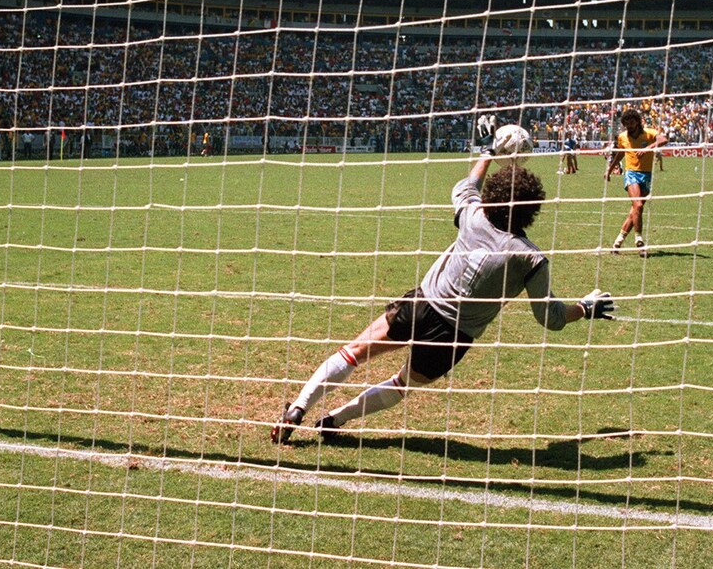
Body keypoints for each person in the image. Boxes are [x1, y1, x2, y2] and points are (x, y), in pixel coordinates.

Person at [270, 148, 617, 444]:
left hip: (421, 306)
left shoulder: (474, 217)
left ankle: (298, 407)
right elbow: (550, 318)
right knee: (401, 384)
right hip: (453, 337)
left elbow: (466, 187)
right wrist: (585, 308)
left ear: (494, 195)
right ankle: (336, 420)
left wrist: (487, 154)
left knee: (352, 354)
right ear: (533, 208)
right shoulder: (530, 258)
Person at [605, 109, 669, 255]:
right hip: (631, 173)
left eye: (631, 123)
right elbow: (620, 154)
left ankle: (617, 243)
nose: (629, 126)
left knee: (635, 210)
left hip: (646, 175)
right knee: (638, 205)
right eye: (626, 124)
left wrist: (648, 148)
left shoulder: (649, 133)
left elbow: (664, 139)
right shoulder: (622, 137)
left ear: (637, 122)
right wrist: (609, 171)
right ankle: (639, 241)